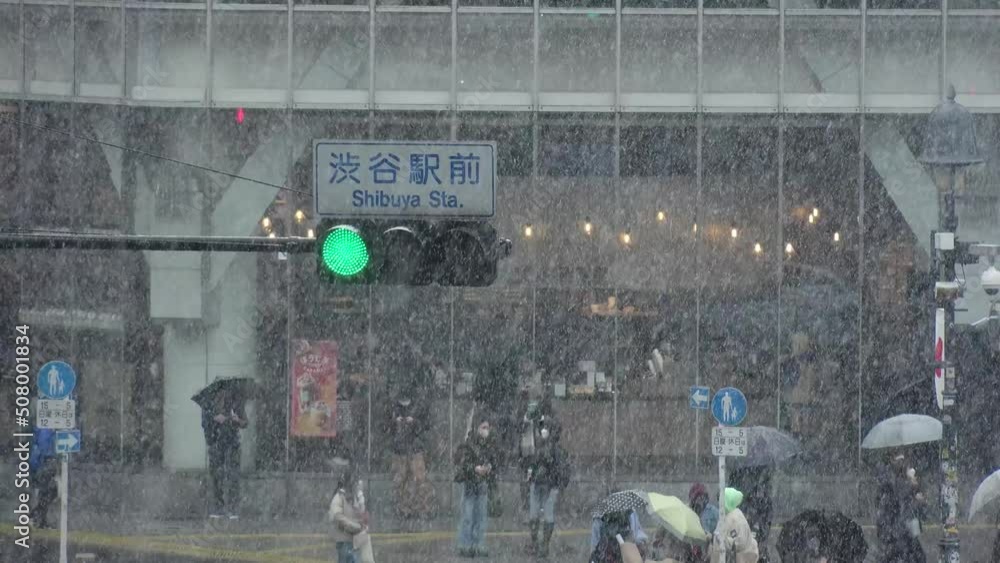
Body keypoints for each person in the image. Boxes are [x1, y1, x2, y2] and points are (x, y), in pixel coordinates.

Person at [455, 417, 500, 558]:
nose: (486, 431)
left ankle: (478, 544)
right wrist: (475, 468)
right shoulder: (469, 444)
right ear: (477, 428)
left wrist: (489, 467)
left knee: (481, 517)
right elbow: (463, 463)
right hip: (471, 483)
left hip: (482, 484)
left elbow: (495, 461)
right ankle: (465, 545)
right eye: (483, 427)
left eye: (487, 428)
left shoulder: (489, 445)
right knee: (468, 516)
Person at [201, 389, 248, 519]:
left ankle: (233, 508)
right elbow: (204, 423)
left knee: (233, 475)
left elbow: (245, 422)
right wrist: (214, 418)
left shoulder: (236, 402)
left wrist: (237, 420)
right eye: (220, 392)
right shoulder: (208, 403)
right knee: (217, 475)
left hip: (232, 443)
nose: (223, 395)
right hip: (216, 442)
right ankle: (218, 507)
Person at [526, 418, 570, 558]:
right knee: (535, 515)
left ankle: (543, 546)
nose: (543, 431)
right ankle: (536, 544)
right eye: (542, 429)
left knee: (546, 515)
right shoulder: (537, 446)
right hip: (537, 484)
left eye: (545, 428)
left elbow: (560, 468)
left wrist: (555, 481)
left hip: (549, 486)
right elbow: (530, 463)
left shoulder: (555, 449)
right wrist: (531, 472)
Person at [389, 385, 434, 520]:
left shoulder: (419, 406)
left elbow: (427, 425)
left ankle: (422, 508)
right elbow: (385, 427)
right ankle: (404, 509)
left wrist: (414, 422)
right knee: (401, 480)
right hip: (401, 450)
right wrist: (395, 422)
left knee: (419, 479)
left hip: (414, 449)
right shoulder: (393, 407)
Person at [875, 453, 926, 563]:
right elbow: (898, 498)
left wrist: (917, 495)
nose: (901, 463)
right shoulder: (891, 481)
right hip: (896, 535)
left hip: (901, 534)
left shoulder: (900, 480)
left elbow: (913, 506)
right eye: (899, 460)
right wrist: (912, 486)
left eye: (902, 460)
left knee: (917, 556)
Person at [329, 467, 368, 563]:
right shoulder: (339, 497)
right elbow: (337, 517)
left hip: (355, 541)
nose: (358, 485)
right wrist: (354, 526)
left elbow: (360, 514)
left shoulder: (354, 497)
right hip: (344, 540)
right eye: (356, 482)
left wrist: (361, 501)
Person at [710, 487, 759, 563]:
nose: (719, 504)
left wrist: (722, 540)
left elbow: (738, 542)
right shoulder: (730, 515)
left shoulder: (734, 518)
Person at [28, 426, 57, 529]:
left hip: (45, 466)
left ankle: (40, 520)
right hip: (45, 466)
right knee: (49, 494)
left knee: (46, 495)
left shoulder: (47, 431)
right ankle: (34, 516)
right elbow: (43, 449)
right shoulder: (45, 431)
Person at [688, 483, 720, 562]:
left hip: (710, 549)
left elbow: (721, 529)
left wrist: (712, 537)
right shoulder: (689, 512)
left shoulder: (713, 512)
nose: (699, 500)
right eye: (697, 498)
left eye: (702, 497)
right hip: (693, 550)